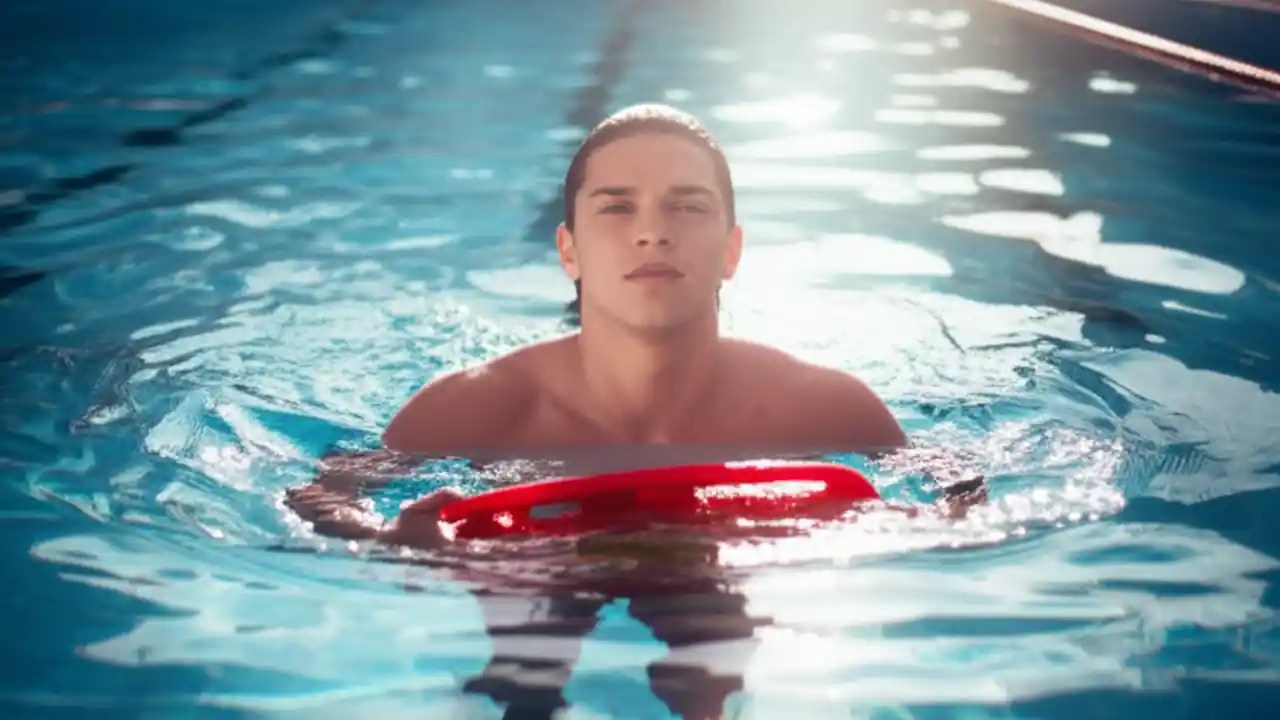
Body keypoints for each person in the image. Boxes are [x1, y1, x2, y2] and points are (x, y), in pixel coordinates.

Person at [285, 103, 917, 719]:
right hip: (539, 555)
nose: (653, 231)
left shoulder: (818, 405)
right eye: (617, 206)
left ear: (731, 250)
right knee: (528, 661)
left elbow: (956, 495)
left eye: (688, 206)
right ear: (569, 252)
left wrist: (882, 529)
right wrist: (390, 543)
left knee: (712, 666)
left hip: (705, 552)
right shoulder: (478, 407)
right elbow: (316, 497)